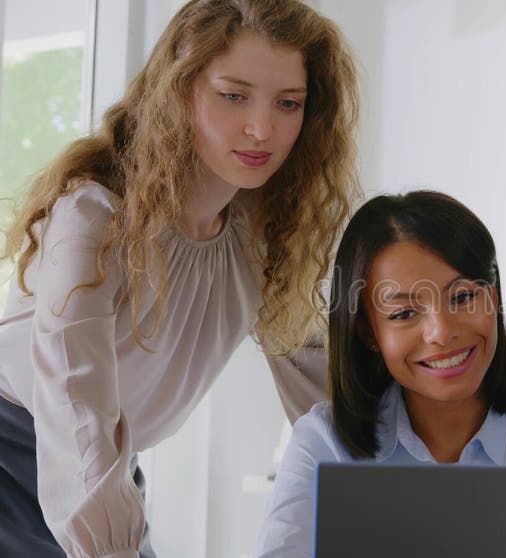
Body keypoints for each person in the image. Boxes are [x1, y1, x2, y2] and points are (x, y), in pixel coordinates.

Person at [0, 1, 360, 556]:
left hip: (109, 458)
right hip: (21, 443)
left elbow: (319, 392)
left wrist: (386, 492)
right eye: (233, 95)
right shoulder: (94, 216)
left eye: (288, 103)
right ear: (180, 89)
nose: (262, 128)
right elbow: (76, 402)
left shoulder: (269, 234)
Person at [255, 191, 506, 557]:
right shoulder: (323, 445)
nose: (442, 332)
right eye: (403, 314)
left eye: (463, 297)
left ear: (493, 298)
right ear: (370, 334)